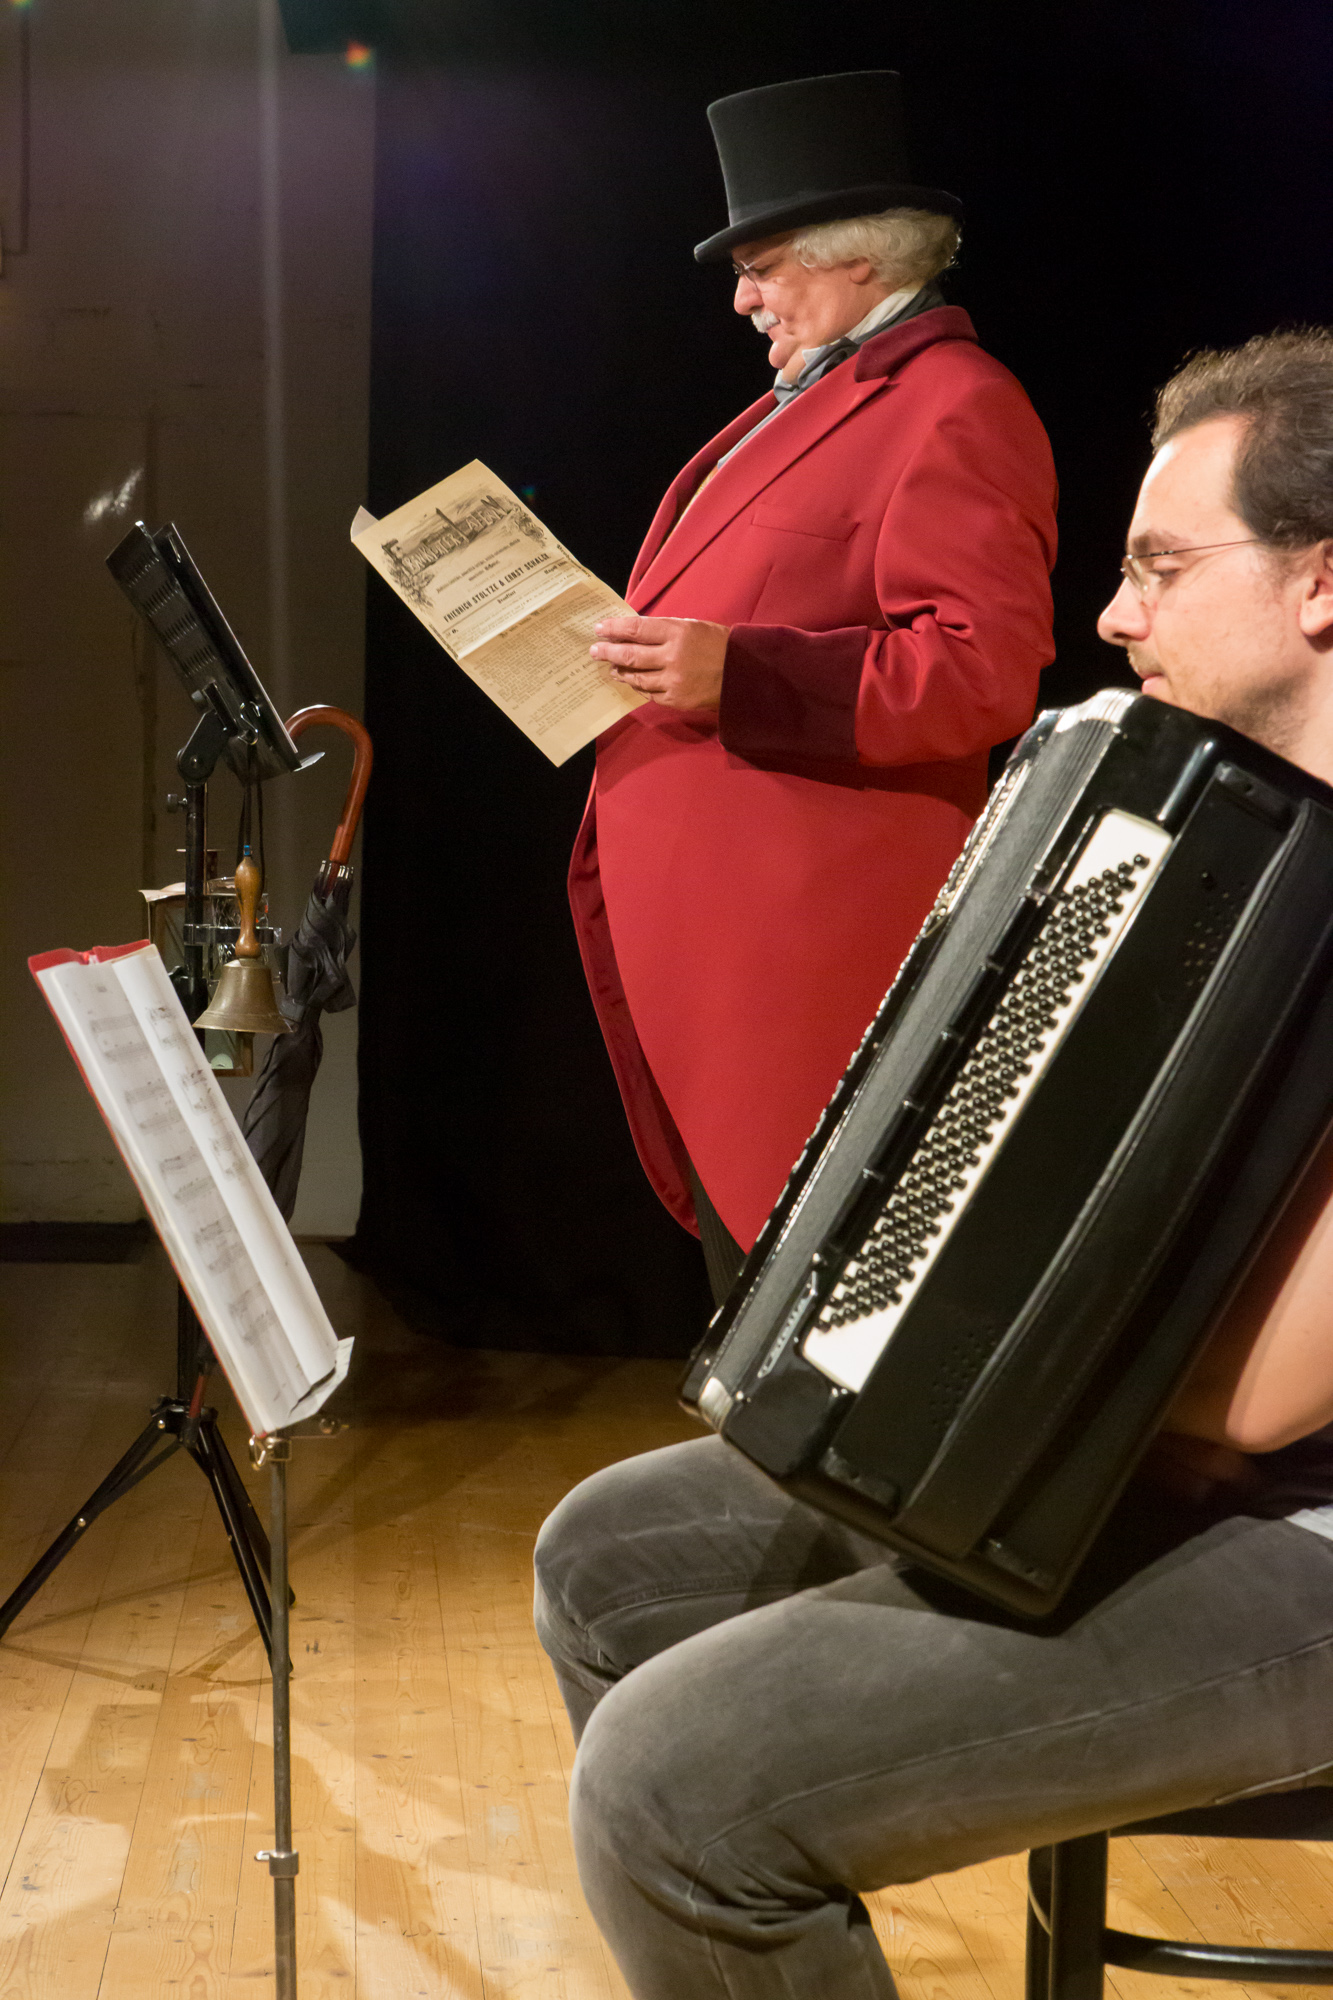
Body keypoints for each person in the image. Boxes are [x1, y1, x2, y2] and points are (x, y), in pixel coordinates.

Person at [535, 328, 1333, 1999]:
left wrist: (933, 1354)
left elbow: (1257, 1407)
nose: (1111, 619)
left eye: (1159, 568)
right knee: (610, 1562)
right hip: (1146, 1468)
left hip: (1304, 1543)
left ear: (1318, 586)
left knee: (673, 1790)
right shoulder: (1223, 843)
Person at [568, 70, 1057, 1291]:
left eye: (766, 263)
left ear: (860, 262)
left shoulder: (954, 404)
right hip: (723, 955)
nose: (742, 297)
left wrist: (740, 671)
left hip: (805, 970)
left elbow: (981, 671)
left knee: (802, 1313)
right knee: (750, 1309)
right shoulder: (797, 408)